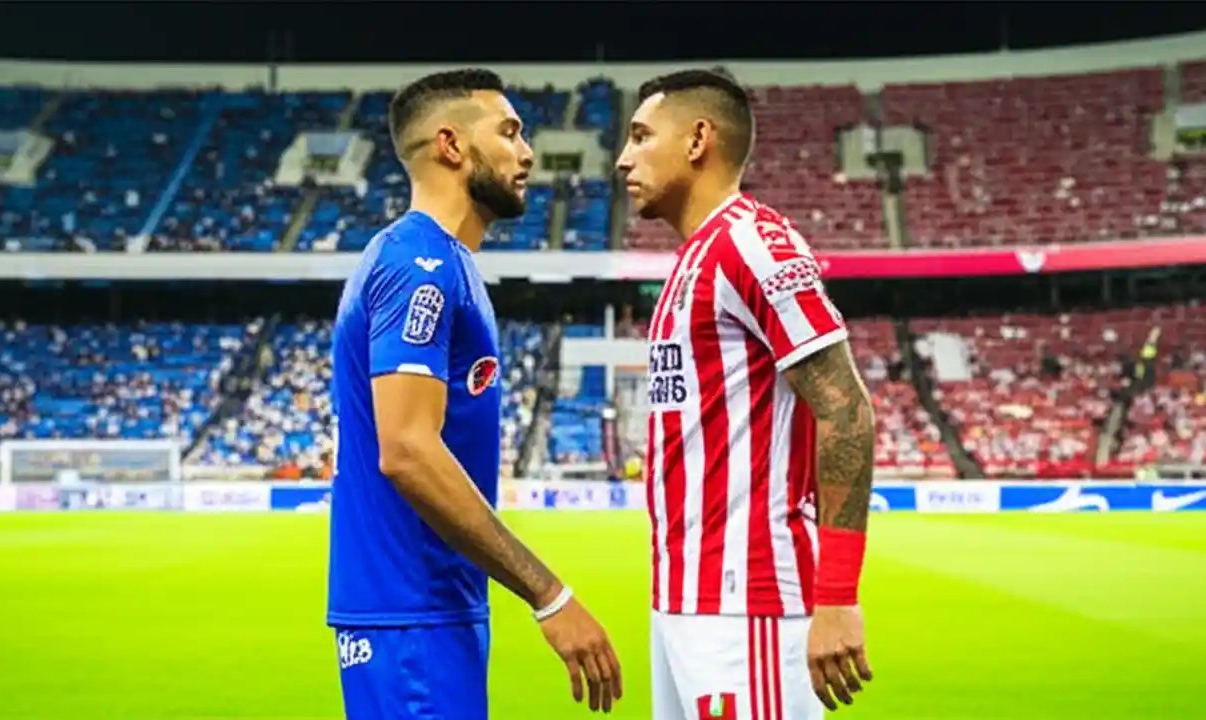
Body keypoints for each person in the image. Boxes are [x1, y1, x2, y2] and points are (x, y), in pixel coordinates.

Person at [328, 69, 621, 720]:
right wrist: (549, 594)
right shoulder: (416, 265)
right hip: (411, 615)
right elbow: (406, 449)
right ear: (451, 145)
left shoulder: (442, 262)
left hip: (431, 609)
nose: (527, 152)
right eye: (510, 132)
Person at [616, 69, 876, 719]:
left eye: (642, 136)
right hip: (683, 600)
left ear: (699, 139)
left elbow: (845, 407)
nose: (623, 158)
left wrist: (837, 594)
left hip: (749, 603)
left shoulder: (752, 243)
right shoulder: (691, 261)